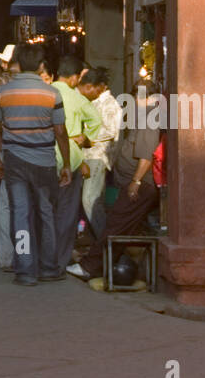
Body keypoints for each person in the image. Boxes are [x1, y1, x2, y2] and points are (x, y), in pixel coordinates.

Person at [0, 43, 72, 285]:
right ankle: (48, 267)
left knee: (20, 215)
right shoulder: (52, 93)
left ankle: (24, 269)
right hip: (45, 161)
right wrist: (65, 163)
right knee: (46, 213)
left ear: (19, 64)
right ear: (41, 65)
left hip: (15, 161)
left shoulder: (2, 93)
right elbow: (60, 131)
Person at [68, 84, 161, 282]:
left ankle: (89, 267)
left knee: (114, 226)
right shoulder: (145, 117)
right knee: (119, 226)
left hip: (139, 185)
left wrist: (135, 181)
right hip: (132, 183)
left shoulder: (149, 119)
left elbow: (146, 157)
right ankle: (103, 265)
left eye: (136, 97)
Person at [51, 54, 102, 274]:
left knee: (44, 211)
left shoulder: (46, 91)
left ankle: (40, 257)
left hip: (43, 156)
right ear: (73, 78)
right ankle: (60, 261)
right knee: (67, 213)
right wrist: (85, 137)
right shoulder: (76, 97)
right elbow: (96, 120)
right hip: (69, 157)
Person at [76, 66, 123, 242]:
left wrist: (87, 139)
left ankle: (106, 241)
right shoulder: (94, 102)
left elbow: (110, 131)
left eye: (90, 87)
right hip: (89, 157)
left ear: (100, 86)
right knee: (91, 201)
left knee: (90, 201)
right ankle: (97, 240)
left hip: (98, 157)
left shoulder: (110, 104)